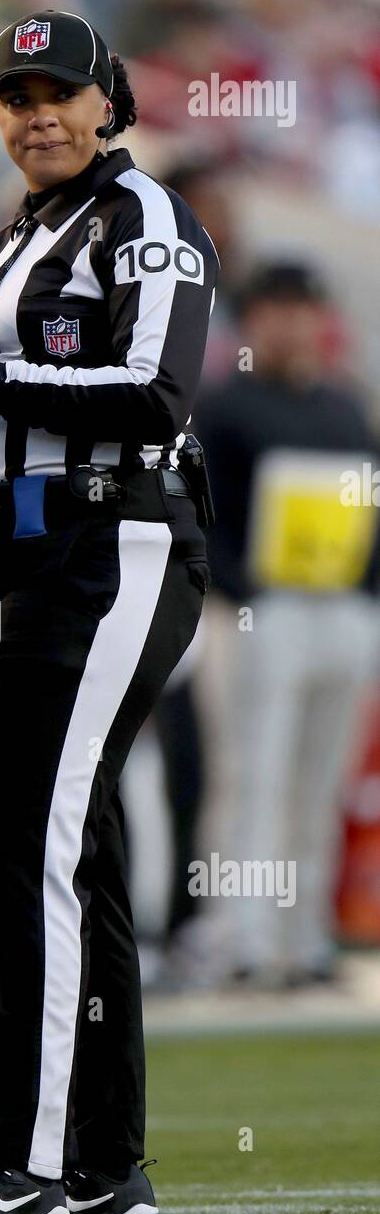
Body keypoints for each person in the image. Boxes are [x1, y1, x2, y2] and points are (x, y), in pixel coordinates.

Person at [0, 9, 219, 1214]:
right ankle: (101, 1166)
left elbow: (152, 394)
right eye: (13, 93)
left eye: (58, 91)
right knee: (63, 854)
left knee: (34, 842)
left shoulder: (142, 219)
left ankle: (23, 1168)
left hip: (105, 541)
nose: (36, 112)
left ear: (108, 103)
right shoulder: (3, 243)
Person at [196, 261, 380, 988]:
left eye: (303, 309)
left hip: (340, 610)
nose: (292, 325)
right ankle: (241, 937)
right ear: (251, 321)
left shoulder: (344, 406)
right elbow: (200, 515)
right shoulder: (224, 405)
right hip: (258, 613)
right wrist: (242, 590)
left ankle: (303, 938)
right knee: (251, 777)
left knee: (320, 781)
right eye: (276, 310)